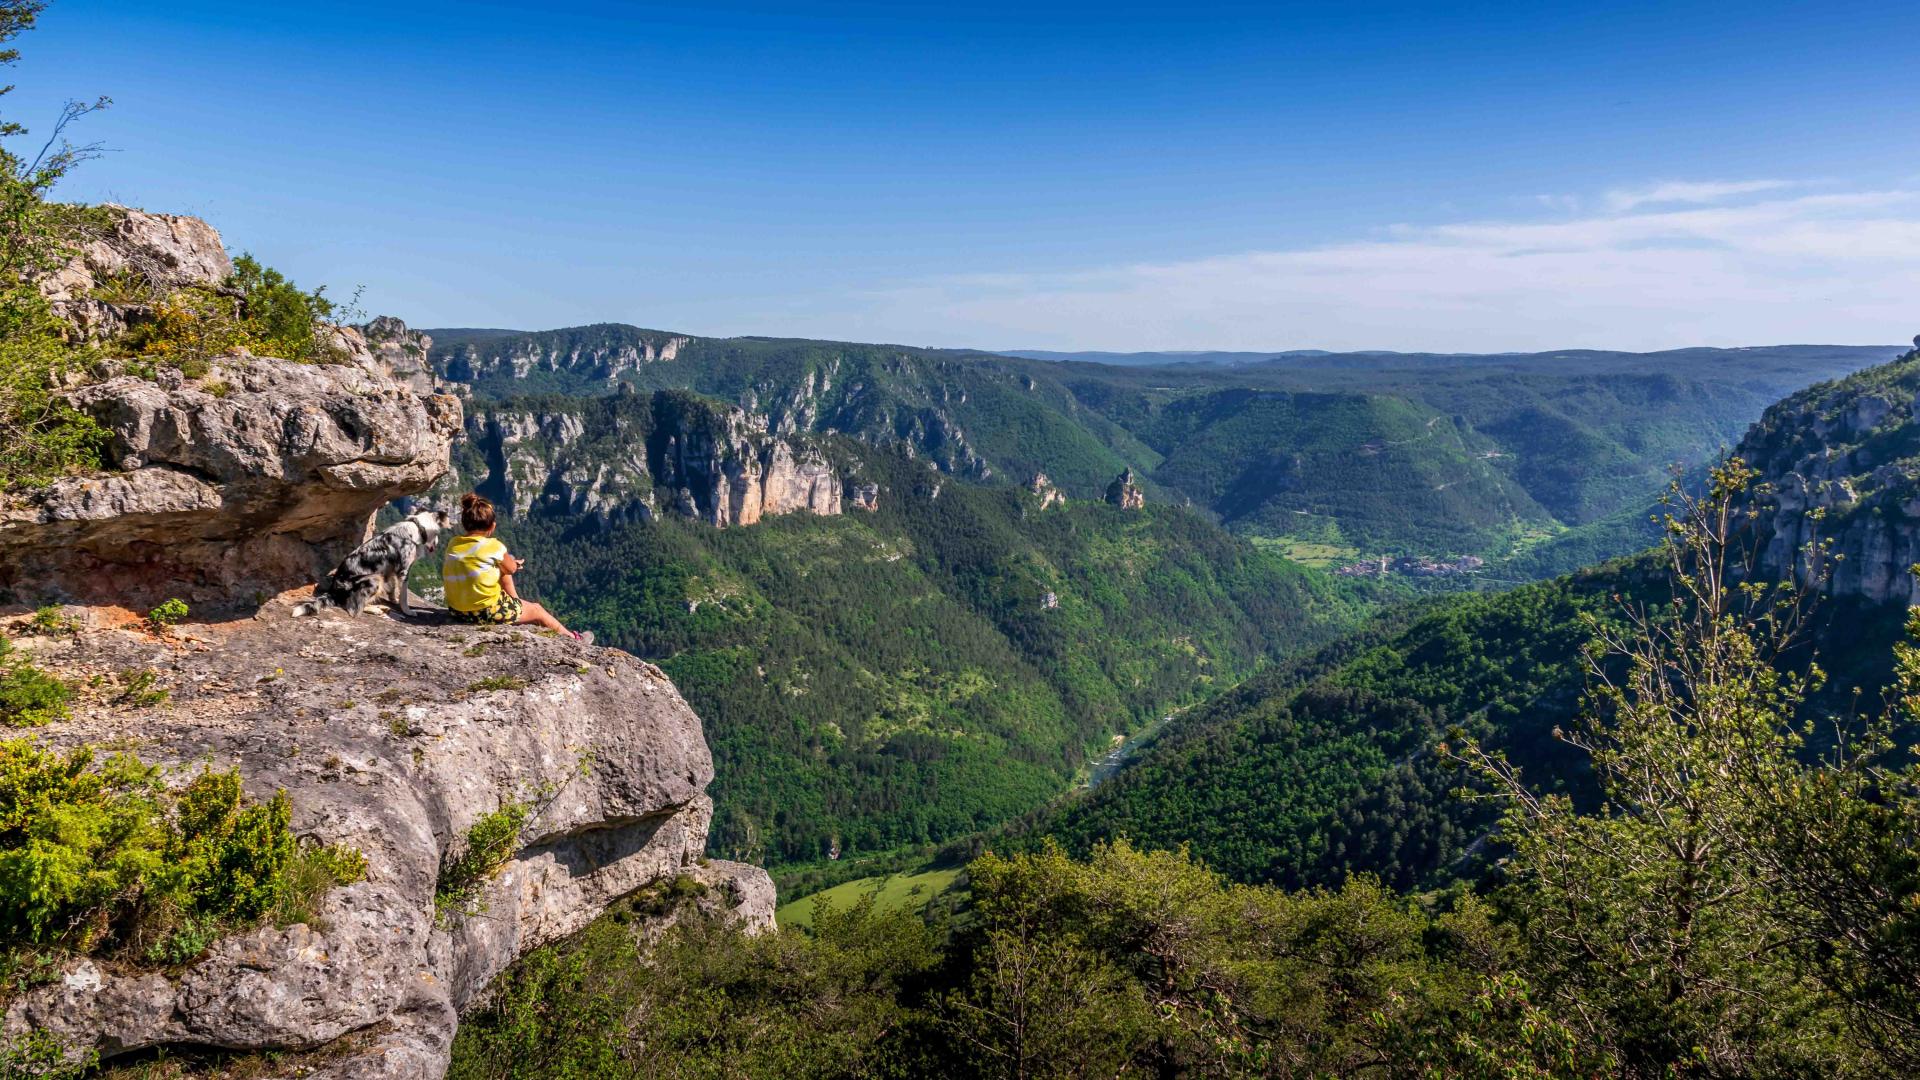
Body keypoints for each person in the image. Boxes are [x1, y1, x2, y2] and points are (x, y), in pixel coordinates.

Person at [443, 492, 592, 644]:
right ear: (492, 526)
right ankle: (574, 639)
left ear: (464, 523)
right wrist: (514, 562)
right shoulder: (494, 546)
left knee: (500, 569)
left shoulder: (453, 543)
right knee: (537, 609)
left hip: (457, 611)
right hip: (484, 612)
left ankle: (516, 604)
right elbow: (511, 569)